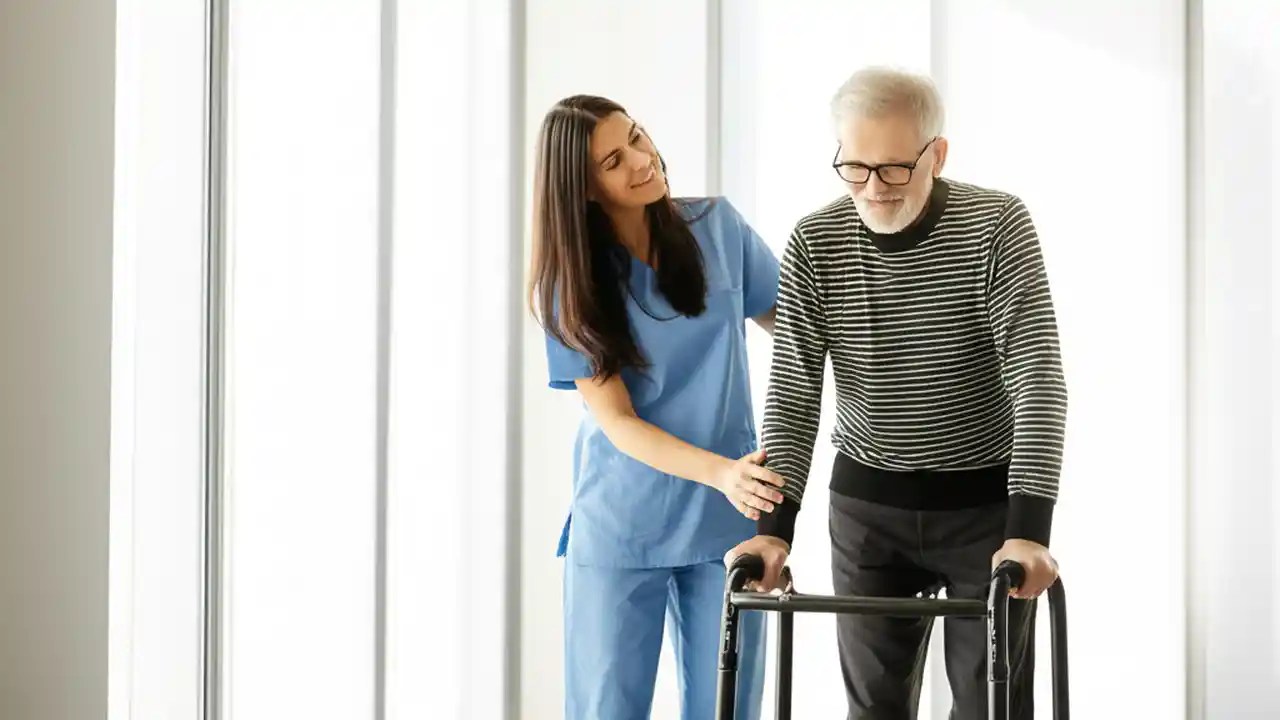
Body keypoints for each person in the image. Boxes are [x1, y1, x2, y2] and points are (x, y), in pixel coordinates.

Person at [727, 67, 1066, 719]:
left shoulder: (996, 225)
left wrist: (1028, 531)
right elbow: (794, 391)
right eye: (854, 168)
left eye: (892, 169)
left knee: (989, 705)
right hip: (868, 512)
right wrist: (774, 532)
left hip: (983, 510)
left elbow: (1038, 378)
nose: (872, 189)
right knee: (875, 709)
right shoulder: (815, 241)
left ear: (936, 155)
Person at [530, 94, 782, 720]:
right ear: (584, 189)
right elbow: (616, 420)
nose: (643, 161)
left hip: (727, 528)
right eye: (615, 160)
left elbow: (803, 334)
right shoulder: (571, 280)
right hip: (623, 527)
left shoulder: (720, 230)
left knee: (729, 710)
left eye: (638, 138)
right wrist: (724, 472)